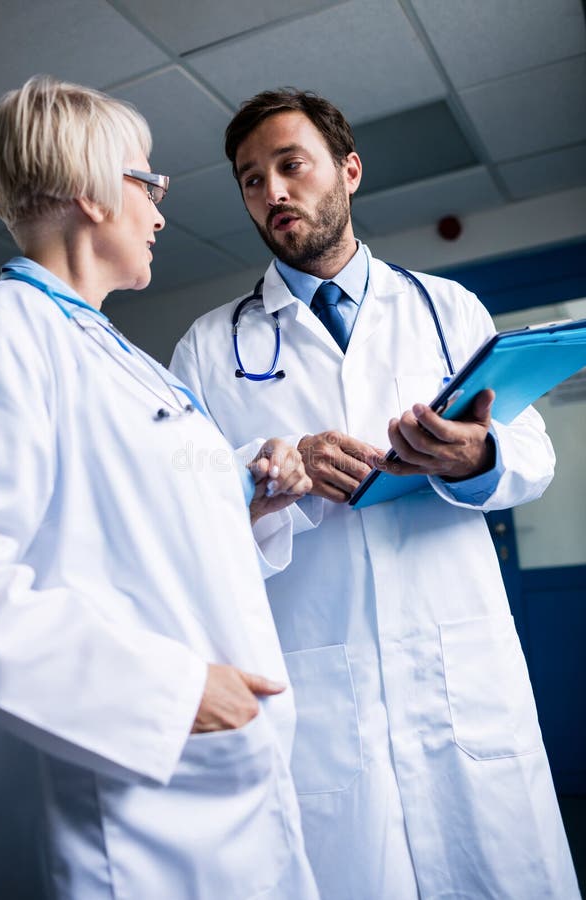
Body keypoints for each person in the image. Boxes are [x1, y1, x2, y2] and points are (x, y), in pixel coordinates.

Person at [170, 89, 580, 899]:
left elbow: (533, 454)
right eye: (251, 179)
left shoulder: (445, 309)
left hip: (457, 663)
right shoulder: (211, 348)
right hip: (322, 679)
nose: (273, 191)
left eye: (292, 165)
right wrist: (270, 470)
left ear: (349, 171)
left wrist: (475, 456)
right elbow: (177, 506)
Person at [0, 76, 320, 900]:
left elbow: (132, 531)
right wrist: (168, 694)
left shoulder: (116, 353)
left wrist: (248, 495)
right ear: (92, 191)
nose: (160, 213)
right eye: (148, 183)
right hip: (128, 804)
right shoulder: (7, 333)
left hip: (219, 781)